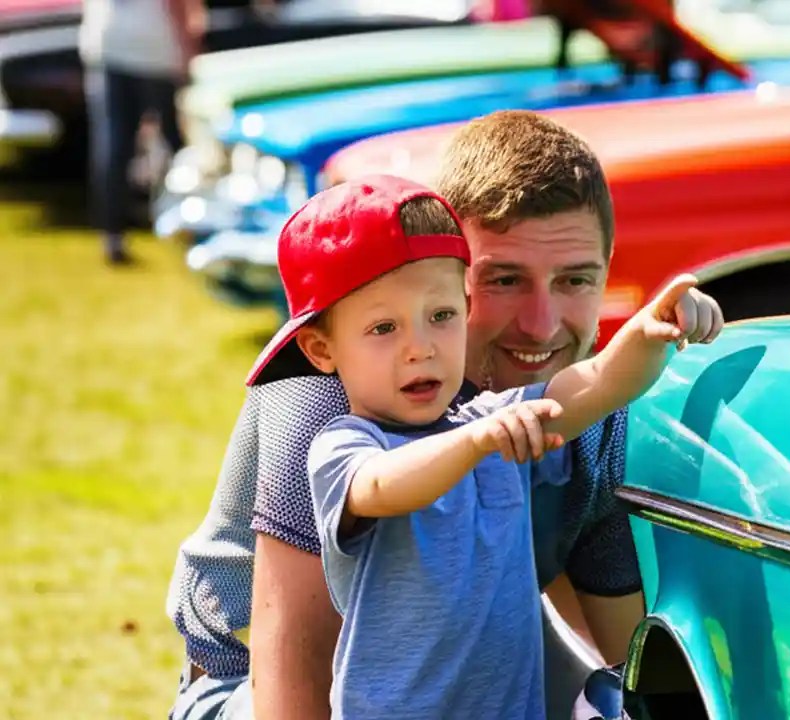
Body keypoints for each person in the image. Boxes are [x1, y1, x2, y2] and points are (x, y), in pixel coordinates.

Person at [164, 110, 720, 719]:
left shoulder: (584, 417)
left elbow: (628, 660)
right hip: (257, 685)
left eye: (575, 280)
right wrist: (477, 443)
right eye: (504, 280)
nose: (541, 323)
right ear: (450, 271)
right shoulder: (331, 398)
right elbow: (290, 696)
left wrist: (656, 332)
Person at [80, 0, 204, 265]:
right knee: (177, 144)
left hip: (109, 40)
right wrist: (188, 46)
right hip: (155, 46)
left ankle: (113, 235)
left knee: (114, 144)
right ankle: (192, 224)